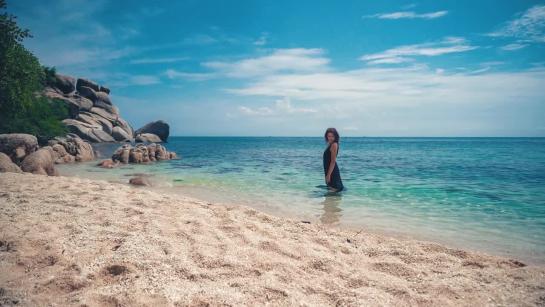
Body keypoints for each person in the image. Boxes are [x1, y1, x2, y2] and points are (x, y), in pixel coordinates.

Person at [323, 128, 344, 192]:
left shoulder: (334, 145)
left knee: (334, 189)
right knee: (331, 190)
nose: (330, 138)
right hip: (329, 169)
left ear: (335, 136)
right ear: (326, 136)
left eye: (332, 136)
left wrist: (328, 175)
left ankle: (334, 201)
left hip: (332, 171)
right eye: (329, 136)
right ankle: (332, 201)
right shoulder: (330, 144)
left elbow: (333, 161)